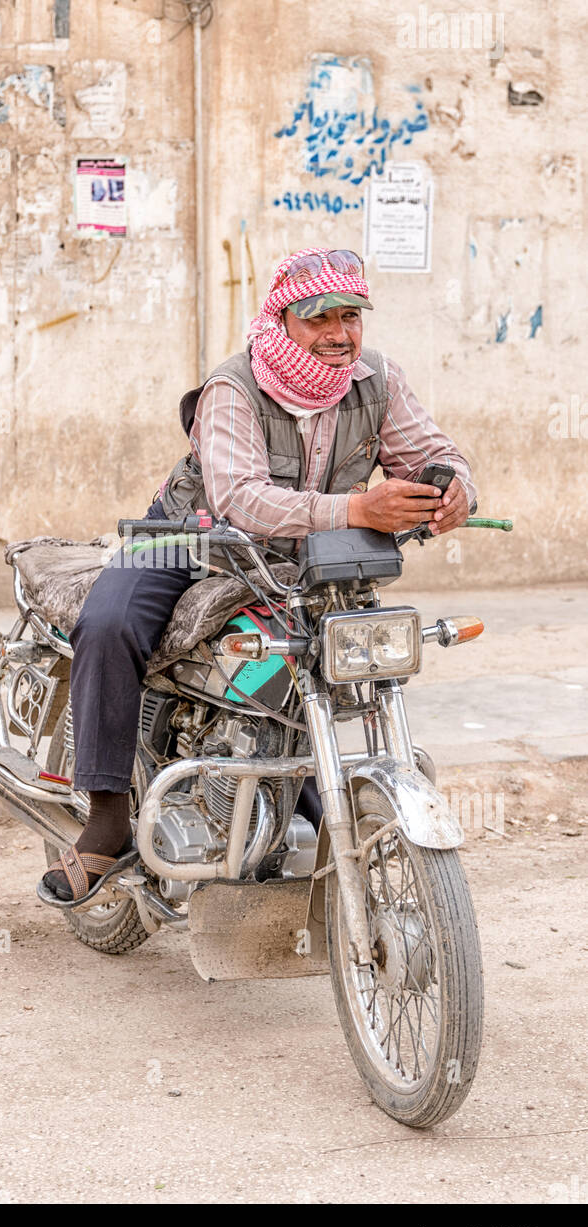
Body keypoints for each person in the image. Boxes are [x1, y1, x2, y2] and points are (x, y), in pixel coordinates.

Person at [41, 247, 475, 902]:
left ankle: (283, 793)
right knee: (108, 621)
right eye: (319, 317)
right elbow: (241, 499)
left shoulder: (377, 380)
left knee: (300, 662)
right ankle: (105, 823)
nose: (339, 333)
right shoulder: (233, 388)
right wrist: (358, 508)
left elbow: (431, 451)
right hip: (189, 536)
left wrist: (453, 489)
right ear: (283, 323)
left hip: (298, 557)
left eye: (350, 315)